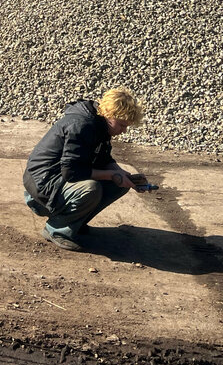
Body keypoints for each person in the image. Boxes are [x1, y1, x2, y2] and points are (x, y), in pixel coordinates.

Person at [23, 86, 146, 252]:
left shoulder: (100, 125)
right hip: (42, 185)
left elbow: (103, 158)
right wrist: (111, 174)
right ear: (110, 115)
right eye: (122, 125)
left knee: (119, 185)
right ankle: (57, 230)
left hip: (59, 181)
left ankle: (74, 222)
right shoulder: (82, 126)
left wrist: (123, 175)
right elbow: (72, 172)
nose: (123, 131)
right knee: (90, 189)